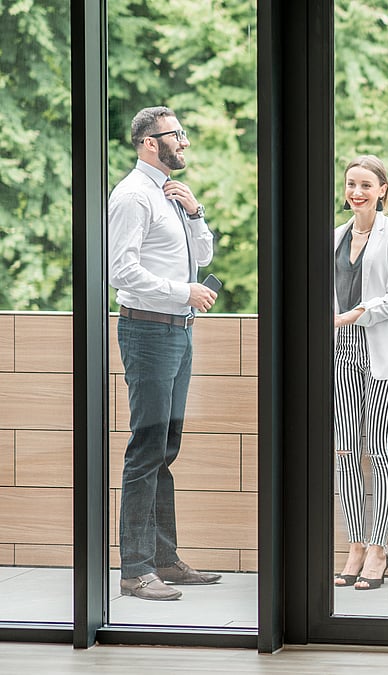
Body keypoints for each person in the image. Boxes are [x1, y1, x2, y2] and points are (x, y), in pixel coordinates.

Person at [108, 106, 221, 601]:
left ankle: (164, 559)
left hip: (178, 333)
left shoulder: (169, 195)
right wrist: (183, 292)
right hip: (149, 333)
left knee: (165, 450)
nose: (186, 143)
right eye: (178, 135)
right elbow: (120, 273)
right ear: (150, 142)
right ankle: (135, 570)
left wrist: (195, 213)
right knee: (146, 449)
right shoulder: (133, 196)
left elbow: (204, 257)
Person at [331, 155, 388, 591]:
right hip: (338, 353)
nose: (356, 192)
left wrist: (347, 318)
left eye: (366, 184)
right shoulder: (333, 237)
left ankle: (379, 548)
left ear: (383, 189)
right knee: (345, 451)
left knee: (379, 450)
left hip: (380, 351)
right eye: (350, 184)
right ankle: (355, 543)